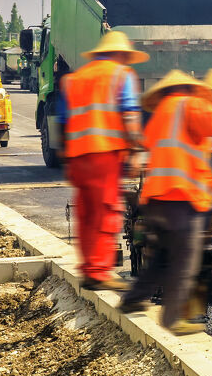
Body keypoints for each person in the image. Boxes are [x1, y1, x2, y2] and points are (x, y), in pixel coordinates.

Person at [127, 69, 212, 332]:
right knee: (185, 258)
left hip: (157, 198)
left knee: (163, 257)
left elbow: (192, 163)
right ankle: (173, 319)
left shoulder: (163, 114)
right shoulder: (190, 104)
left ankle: (132, 299)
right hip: (178, 198)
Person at [56, 30, 149, 289]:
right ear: (121, 54)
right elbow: (129, 114)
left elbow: (63, 121)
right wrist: (137, 150)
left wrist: (66, 154)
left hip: (76, 156)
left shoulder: (75, 79)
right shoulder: (121, 75)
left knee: (85, 214)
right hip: (104, 155)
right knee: (106, 210)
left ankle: (89, 269)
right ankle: (99, 272)